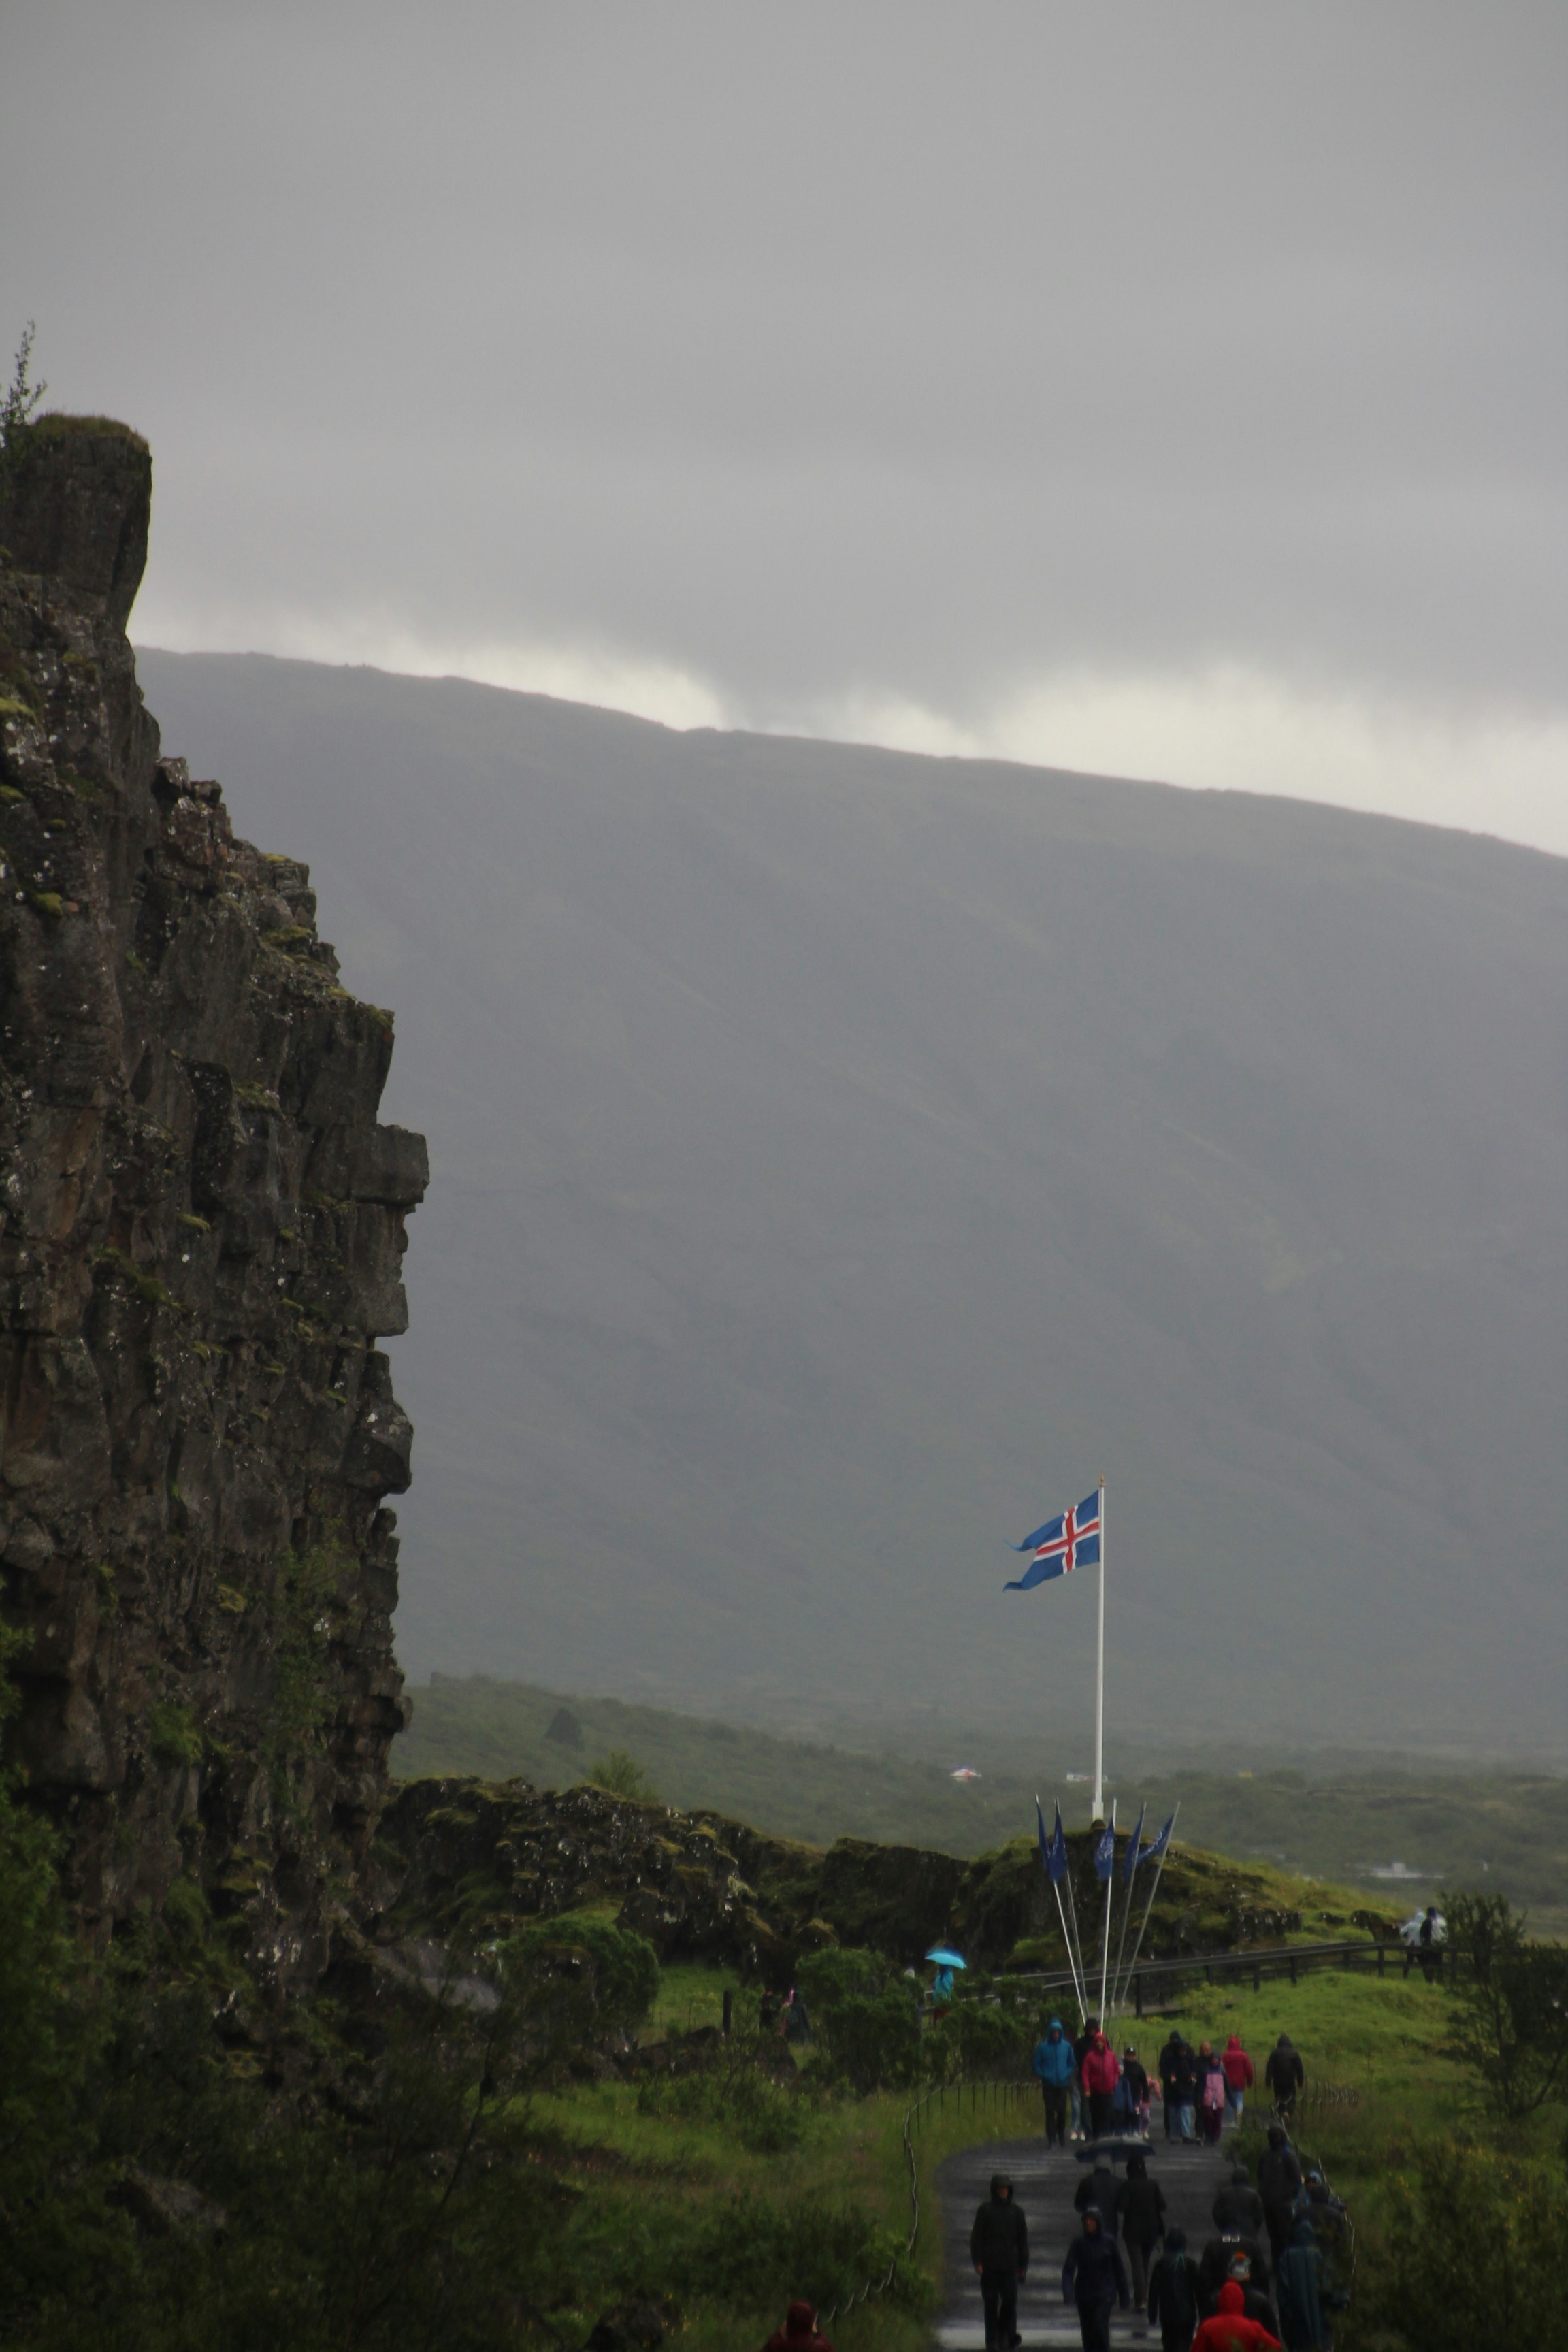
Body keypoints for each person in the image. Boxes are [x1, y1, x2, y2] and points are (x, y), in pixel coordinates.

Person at [970, 2170, 1029, 2352]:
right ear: (994, 2190)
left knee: (1010, 2301)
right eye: (1000, 2189)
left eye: (1006, 2189)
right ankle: (992, 2339)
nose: (1003, 2192)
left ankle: (1006, 2334)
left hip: (1010, 2265)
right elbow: (977, 2238)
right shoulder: (985, 2211)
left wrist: (1023, 2266)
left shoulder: (1016, 2212)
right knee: (990, 2303)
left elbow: (1022, 2240)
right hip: (990, 2266)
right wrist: (978, 2261)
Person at [1062, 2205, 1129, 2352]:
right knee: (1088, 2332)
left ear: (1098, 2222)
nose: (1089, 2224)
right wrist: (1068, 2293)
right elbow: (1068, 2269)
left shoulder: (1109, 2243)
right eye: (1087, 2221)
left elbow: (1119, 2270)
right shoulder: (1079, 2243)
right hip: (1084, 2295)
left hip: (1104, 2294)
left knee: (1100, 2326)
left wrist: (1124, 2295)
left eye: (1092, 2221)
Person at [1115, 2149, 1168, 2309]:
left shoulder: (1128, 2186)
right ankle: (1143, 2294)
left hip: (1133, 2231)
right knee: (1144, 2263)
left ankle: (1141, 2298)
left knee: (1137, 2264)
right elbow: (1163, 2206)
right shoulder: (1153, 2185)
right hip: (1152, 2229)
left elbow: (1122, 2208)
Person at [1275, 2217, 1335, 2351]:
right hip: (1318, 2316)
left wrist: (1287, 2314)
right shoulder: (1320, 2255)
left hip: (1296, 2318)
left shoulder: (1287, 2257)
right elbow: (1328, 2287)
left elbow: (1282, 2292)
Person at [1147, 2225, 1203, 2352]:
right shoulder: (1190, 2264)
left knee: (1169, 2343)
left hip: (1167, 2313)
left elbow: (1154, 2291)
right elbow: (1199, 2291)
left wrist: (1152, 2313)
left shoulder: (1161, 2264)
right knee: (1185, 2343)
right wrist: (1203, 2313)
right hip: (1187, 2313)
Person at [1258, 2127, 1304, 2270]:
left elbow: (1297, 2179)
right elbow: (1260, 2175)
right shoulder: (1266, 2154)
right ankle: (1276, 2265)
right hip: (1269, 2203)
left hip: (1283, 2204)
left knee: (1285, 2236)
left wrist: (1290, 2196)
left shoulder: (1288, 2155)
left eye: (1277, 2136)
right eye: (1273, 2136)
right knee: (1273, 2236)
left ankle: (1285, 2267)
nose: (1275, 2139)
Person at [1191, 2278, 1281, 2351]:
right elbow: (1275, 2347)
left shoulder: (1207, 2327)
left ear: (1220, 2301)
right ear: (1241, 2301)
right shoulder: (1253, 2328)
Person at [1034, 2015, 1077, 2148]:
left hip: (1062, 2084)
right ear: (1051, 2032)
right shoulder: (1043, 2047)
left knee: (1062, 2112)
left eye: (1058, 2032)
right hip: (1048, 2085)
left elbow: (1072, 2063)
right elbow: (1036, 2064)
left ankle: (1061, 2134)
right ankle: (1051, 2138)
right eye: (1054, 2032)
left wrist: (1066, 2073)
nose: (1056, 2035)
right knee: (1050, 2112)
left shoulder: (1066, 2046)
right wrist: (1044, 2075)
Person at [1082, 2024, 1122, 2138]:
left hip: (1108, 2091)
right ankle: (1096, 2136)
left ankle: (1106, 2136)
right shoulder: (1090, 2057)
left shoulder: (1111, 2055)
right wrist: (1087, 2088)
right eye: (1097, 2042)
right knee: (1095, 2115)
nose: (1100, 2044)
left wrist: (1115, 2082)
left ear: (1104, 2043)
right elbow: (1085, 2073)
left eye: (1101, 2042)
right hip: (1095, 2092)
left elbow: (1116, 2071)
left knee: (1108, 2114)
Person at [1212, 2163, 1264, 2236]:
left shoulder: (1224, 2194)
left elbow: (1216, 2213)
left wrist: (1222, 2226)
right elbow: (1259, 2215)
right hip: (1248, 2232)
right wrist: (1253, 2227)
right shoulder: (1254, 2196)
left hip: (1228, 2230)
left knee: (1227, 2246)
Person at [1075, 2155, 1122, 2233]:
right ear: (1110, 2166)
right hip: (1111, 2222)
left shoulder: (1086, 2182)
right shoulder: (1117, 2182)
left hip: (1092, 2220)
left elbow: (1078, 2205)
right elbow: (1121, 2205)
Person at [761, 2302, 834, 2352]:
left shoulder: (777, 2347)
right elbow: (827, 2347)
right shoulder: (820, 2348)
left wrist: (779, 2335)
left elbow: (768, 2348)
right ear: (810, 2326)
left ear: (788, 2326)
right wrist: (817, 2334)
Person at [1263, 2036, 1303, 2122]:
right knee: (1291, 2097)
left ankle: (1283, 2113)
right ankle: (1289, 2113)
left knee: (1279, 2097)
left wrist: (1268, 2082)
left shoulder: (1274, 2053)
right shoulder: (1294, 2053)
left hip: (1278, 2081)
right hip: (1290, 2080)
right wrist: (1300, 2081)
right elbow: (1300, 2069)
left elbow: (1269, 2068)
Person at [1116, 2042, 1152, 2136]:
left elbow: (1144, 2083)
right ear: (1126, 2056)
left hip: (1135, 2095)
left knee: (1136, 2113)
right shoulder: (1122, 2067)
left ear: (1135, 2056)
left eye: (1133, 2055)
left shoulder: (1139, 2068)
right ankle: (1125, 2130)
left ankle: (1136, 2130)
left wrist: (1146, 2097)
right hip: (1123, 2095)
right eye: (1129, 2055)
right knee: (1125, 2113)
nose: (1131, 2057)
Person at [1072, 2017, 1099, 2141]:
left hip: (1099, 2079)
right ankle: (1088, 2132)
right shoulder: (1079, 2043)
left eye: (1094, 2029)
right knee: (1085, 2107)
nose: (1091, 2031)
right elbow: (1076, 2060)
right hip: (1084, 2079)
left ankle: (1097, 2131)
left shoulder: (1101, 2042)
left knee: (1098, 2107)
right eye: (1090, 2029)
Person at [1197, 2041, 1228, 2146]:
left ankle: (1214, 2137)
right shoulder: (1206, 2071)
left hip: (1219, 2100)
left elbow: (1227, 2086)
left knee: (1218, 2119)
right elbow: (1201, 2086)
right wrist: (1200, 2099)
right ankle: (1208, 2134)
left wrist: (1232, 2100)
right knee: (1209, 2117)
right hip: (1208, 2099)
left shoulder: (1222, 2071)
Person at [1168, 2036, 1198, 2143]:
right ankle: (1174, 2136)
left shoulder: (1190, 2059)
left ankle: (1186, 2135)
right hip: (1174, 2089)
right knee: (1174, 2113)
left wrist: (1193, 2076)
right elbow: (1168, 2070)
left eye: (1184, 2050)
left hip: (1187, 2089)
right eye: (1181, 2050)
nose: (1183, 2052)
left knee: (1185, 2111)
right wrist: (1171, 2076)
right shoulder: (1172, 2059)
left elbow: (1194, 2070)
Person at [1157, 2027, 1185, 2140]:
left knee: (1181, 2107)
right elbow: (1162, 2066)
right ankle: (1170, 2130)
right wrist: (1167, 2076)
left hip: (1181, 2082)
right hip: (1169, 2083)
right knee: (1169, 2107)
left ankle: (1179, 2130)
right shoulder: (1166, 2050)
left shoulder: (1181, 2049)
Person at [1222, 2034, 1254, 2123]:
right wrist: (1249, 2081)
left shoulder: (1225, 2056)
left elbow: (1221, 2069)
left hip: (1228, 2082)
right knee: (1239, 2099)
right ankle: (1239, 2112)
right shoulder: (1243, 2056)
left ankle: (1231, 2120)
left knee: (1229, 2100)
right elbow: (1249, 2070)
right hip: (1240, 2082)